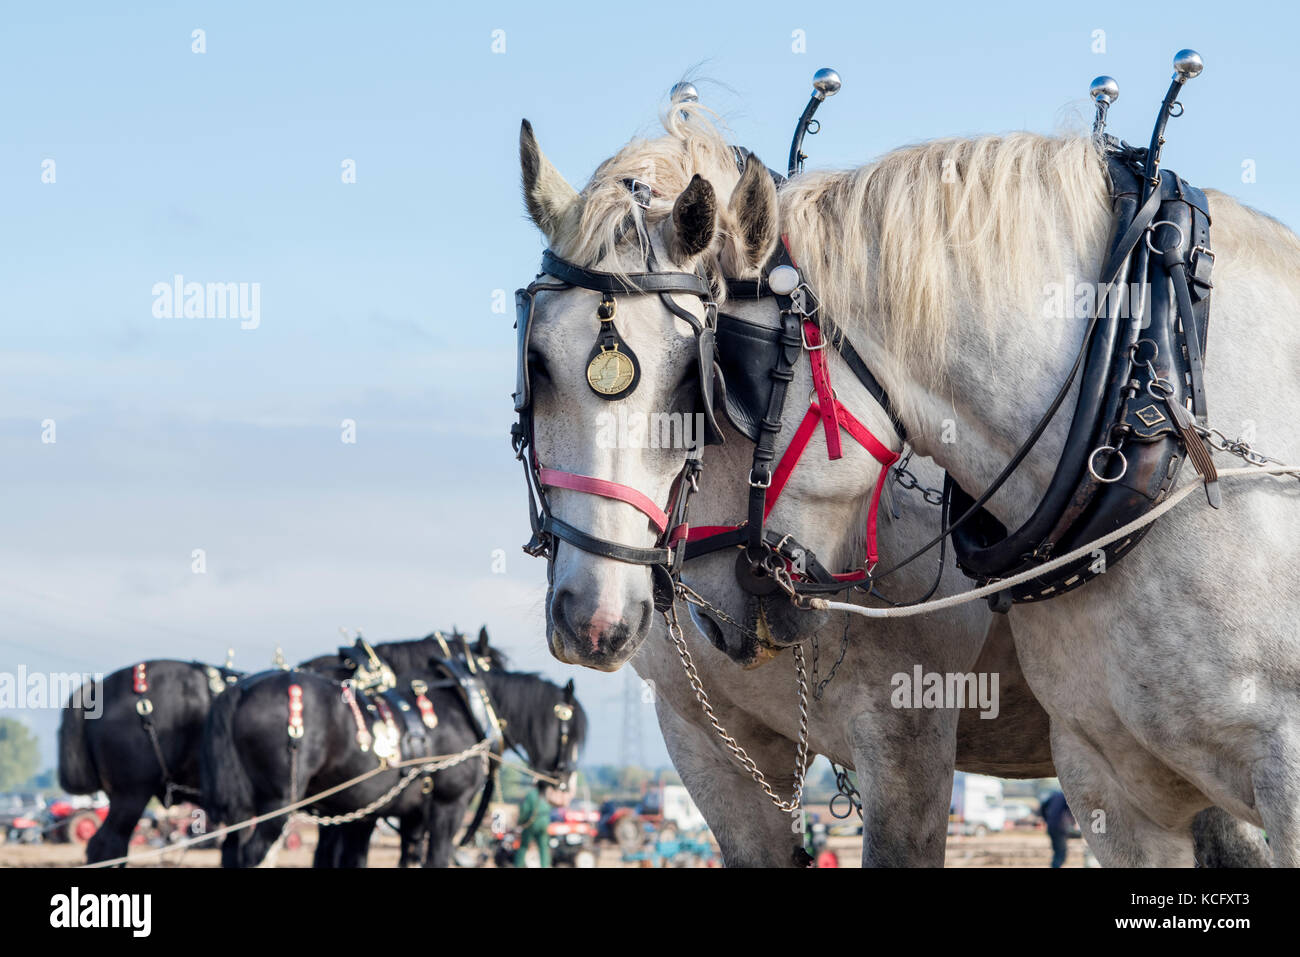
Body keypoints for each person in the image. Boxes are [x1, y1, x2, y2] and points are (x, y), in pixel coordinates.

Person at [515, 782, 552, 868]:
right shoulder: (546, 794)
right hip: (544, 823)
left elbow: (525, 809)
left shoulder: (531, 794)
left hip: (532, 823)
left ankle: (518, 865)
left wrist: (520, 822)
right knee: (544, 847)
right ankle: (545, 865)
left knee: (524, 845)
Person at [1040, 789, 1074, 868]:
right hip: (1060, 828)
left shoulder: (1054, 795)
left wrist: (1046, 819)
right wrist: (1072, 823)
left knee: (1057, 852)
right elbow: (1071, 811)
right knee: (1061, 853)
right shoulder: (1067, 797)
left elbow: (1042, 806)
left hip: (1051, 827)